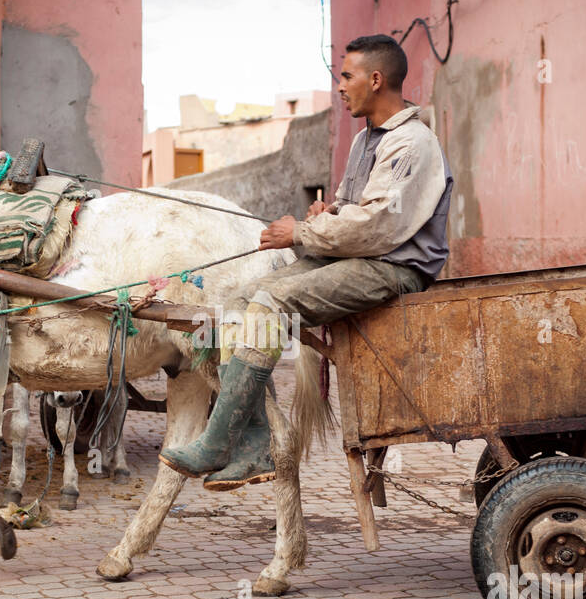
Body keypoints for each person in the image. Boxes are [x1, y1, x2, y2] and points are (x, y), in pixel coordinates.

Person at [160, 34, 453, 489]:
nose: (340, 86)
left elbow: (376, 225)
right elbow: (351, 208)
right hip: (361, 255)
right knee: (234, 305)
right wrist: (326, 213)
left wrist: (297, 231)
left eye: (347, 76)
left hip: (394, 268)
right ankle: (256, 448)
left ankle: (217, 442)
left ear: (375, 80)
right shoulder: (364, 141)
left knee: (271, 301)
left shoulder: (412, 144)